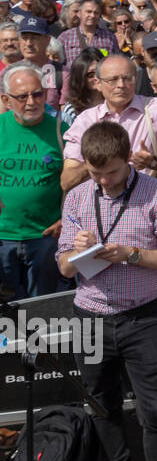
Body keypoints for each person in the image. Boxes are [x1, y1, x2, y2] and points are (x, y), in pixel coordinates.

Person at [55, 121, 157, 461]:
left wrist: (129, 253)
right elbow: (64, 269)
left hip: (142, 318)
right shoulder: (79, 196)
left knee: (156, 410)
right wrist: (75, 252)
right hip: (90, 316)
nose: (102, 181)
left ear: (128, 159)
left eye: (110, 172)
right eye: (94, 173)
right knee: (100, 406)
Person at [61, 54, 157, 191]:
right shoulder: (86, 121)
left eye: (127, 78)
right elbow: (67, 181)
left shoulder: (156, 109)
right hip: (101, 204)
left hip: (145, 199)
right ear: (98, 83)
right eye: (113, 80)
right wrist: (98, 162)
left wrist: (152, 161)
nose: (121, 85)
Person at [0, 63, 64, 298]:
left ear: (46, 94)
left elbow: (81, 183)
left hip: (44, 238)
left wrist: (66, 218)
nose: (31, 102)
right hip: (2, 238)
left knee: (41, 311)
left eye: (37, 94)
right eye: (22, 96)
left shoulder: (62, 131)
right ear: (6, 100)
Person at [60, 47, 103, 128]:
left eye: (99, 72)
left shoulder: (114, 102)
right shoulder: (72, 109)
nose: (97, 78)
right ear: (80, 79)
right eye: (90, 75)